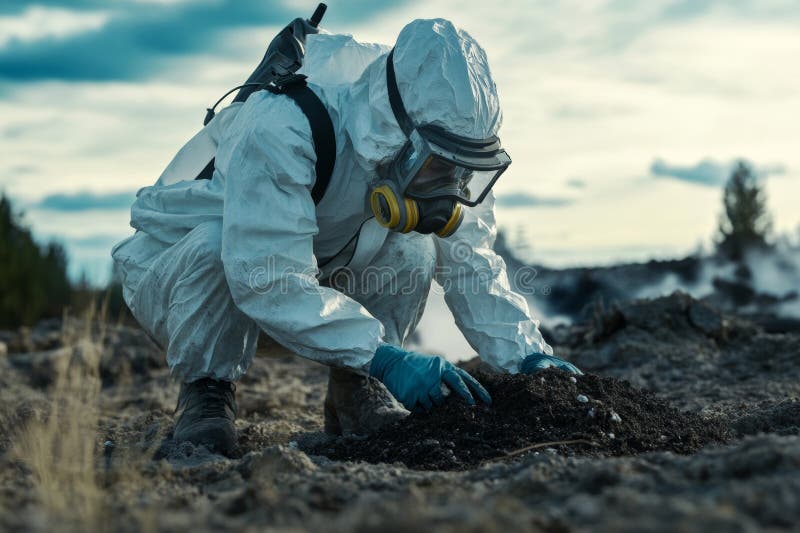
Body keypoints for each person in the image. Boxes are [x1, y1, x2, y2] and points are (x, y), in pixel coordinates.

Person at [112, 18, 580, 456]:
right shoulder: (286, 125)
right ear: (401, 133)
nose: (453, 185)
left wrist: (530, 359)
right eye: (442, 165)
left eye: (467, 169)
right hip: (186, 285)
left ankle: (355, 389)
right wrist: (387, 359)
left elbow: (474, 267)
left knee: (413, 247)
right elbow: (266, 279)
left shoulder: (449, 158)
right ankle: (206, 394)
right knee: (217, 247)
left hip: (314, 280)